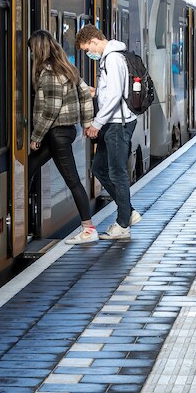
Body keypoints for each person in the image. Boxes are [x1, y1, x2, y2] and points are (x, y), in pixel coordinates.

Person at [27, 30, 98, 245]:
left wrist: (36, 136)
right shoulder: (67, 67)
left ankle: (88, 228)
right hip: (65, 132)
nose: (31, 55)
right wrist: (87, 122)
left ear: (38, 50)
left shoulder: (48, 72)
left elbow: (51, 109)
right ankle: (23, 218)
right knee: (28, 168)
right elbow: (85, 94)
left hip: (56, 133)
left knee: (72, 180)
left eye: (32, 50)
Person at [75, 24, 142, 239]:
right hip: (113, 122)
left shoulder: (112, 58)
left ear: (94, 41)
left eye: (88, 49)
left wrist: (96, 124)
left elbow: (114, 96)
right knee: (99, 168)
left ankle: (123, 224)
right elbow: (113, 91)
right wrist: (96, 92)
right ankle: (128, 212)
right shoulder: (111, 57)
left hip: (117, 124)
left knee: (117, 173)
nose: (89, 54)